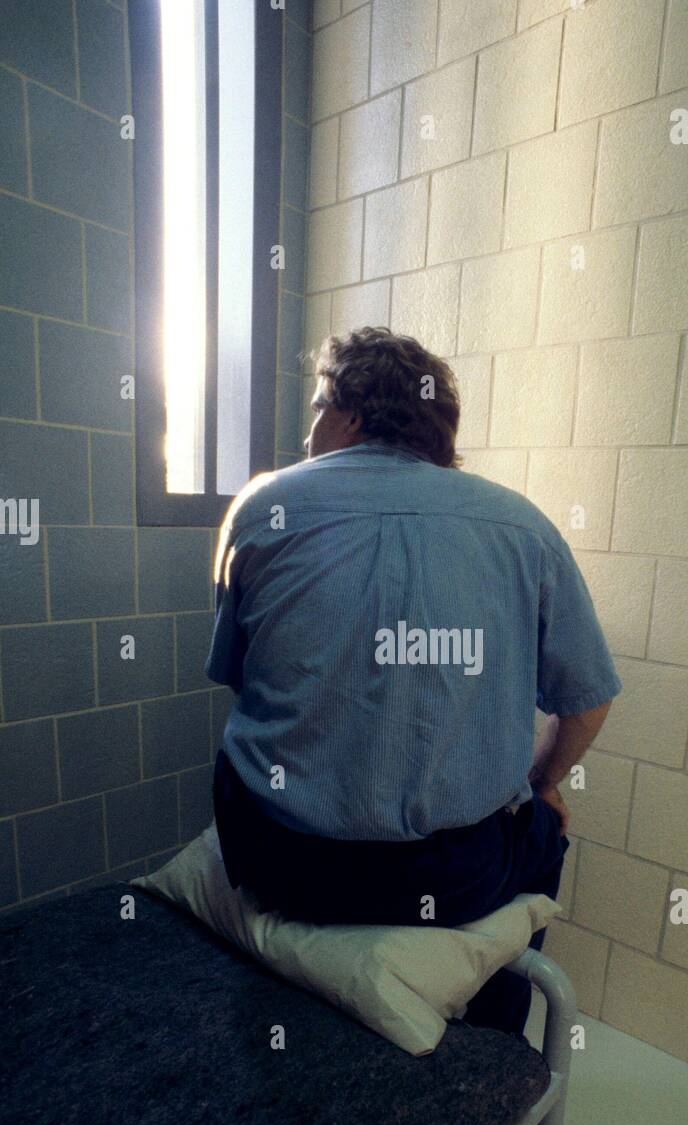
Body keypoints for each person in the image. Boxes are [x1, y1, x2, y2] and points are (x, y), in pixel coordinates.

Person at [207, 327, 621, 1038]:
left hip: (279, 858)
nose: (309, 434)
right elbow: (588, 703)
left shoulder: (261, 507)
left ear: (351, 413)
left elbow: (240, 679)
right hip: (452, 877)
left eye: (316, 410)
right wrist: (544, 783)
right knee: (544, 825)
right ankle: (488, 1059)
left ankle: (273, 1032)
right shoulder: (523, 527)